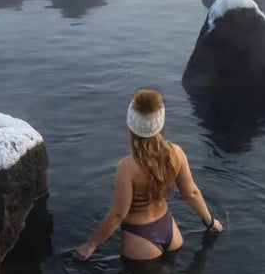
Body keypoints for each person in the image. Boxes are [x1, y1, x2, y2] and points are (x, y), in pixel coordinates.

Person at [75, 89, 223, 261]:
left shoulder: (127, 166)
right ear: (161, 123)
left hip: (140, 239)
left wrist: (91, 244)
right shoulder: (177, 153)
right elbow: (191, 194)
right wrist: (210, 221)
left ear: (131, 125)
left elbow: (117, 214)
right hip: (171, 231)